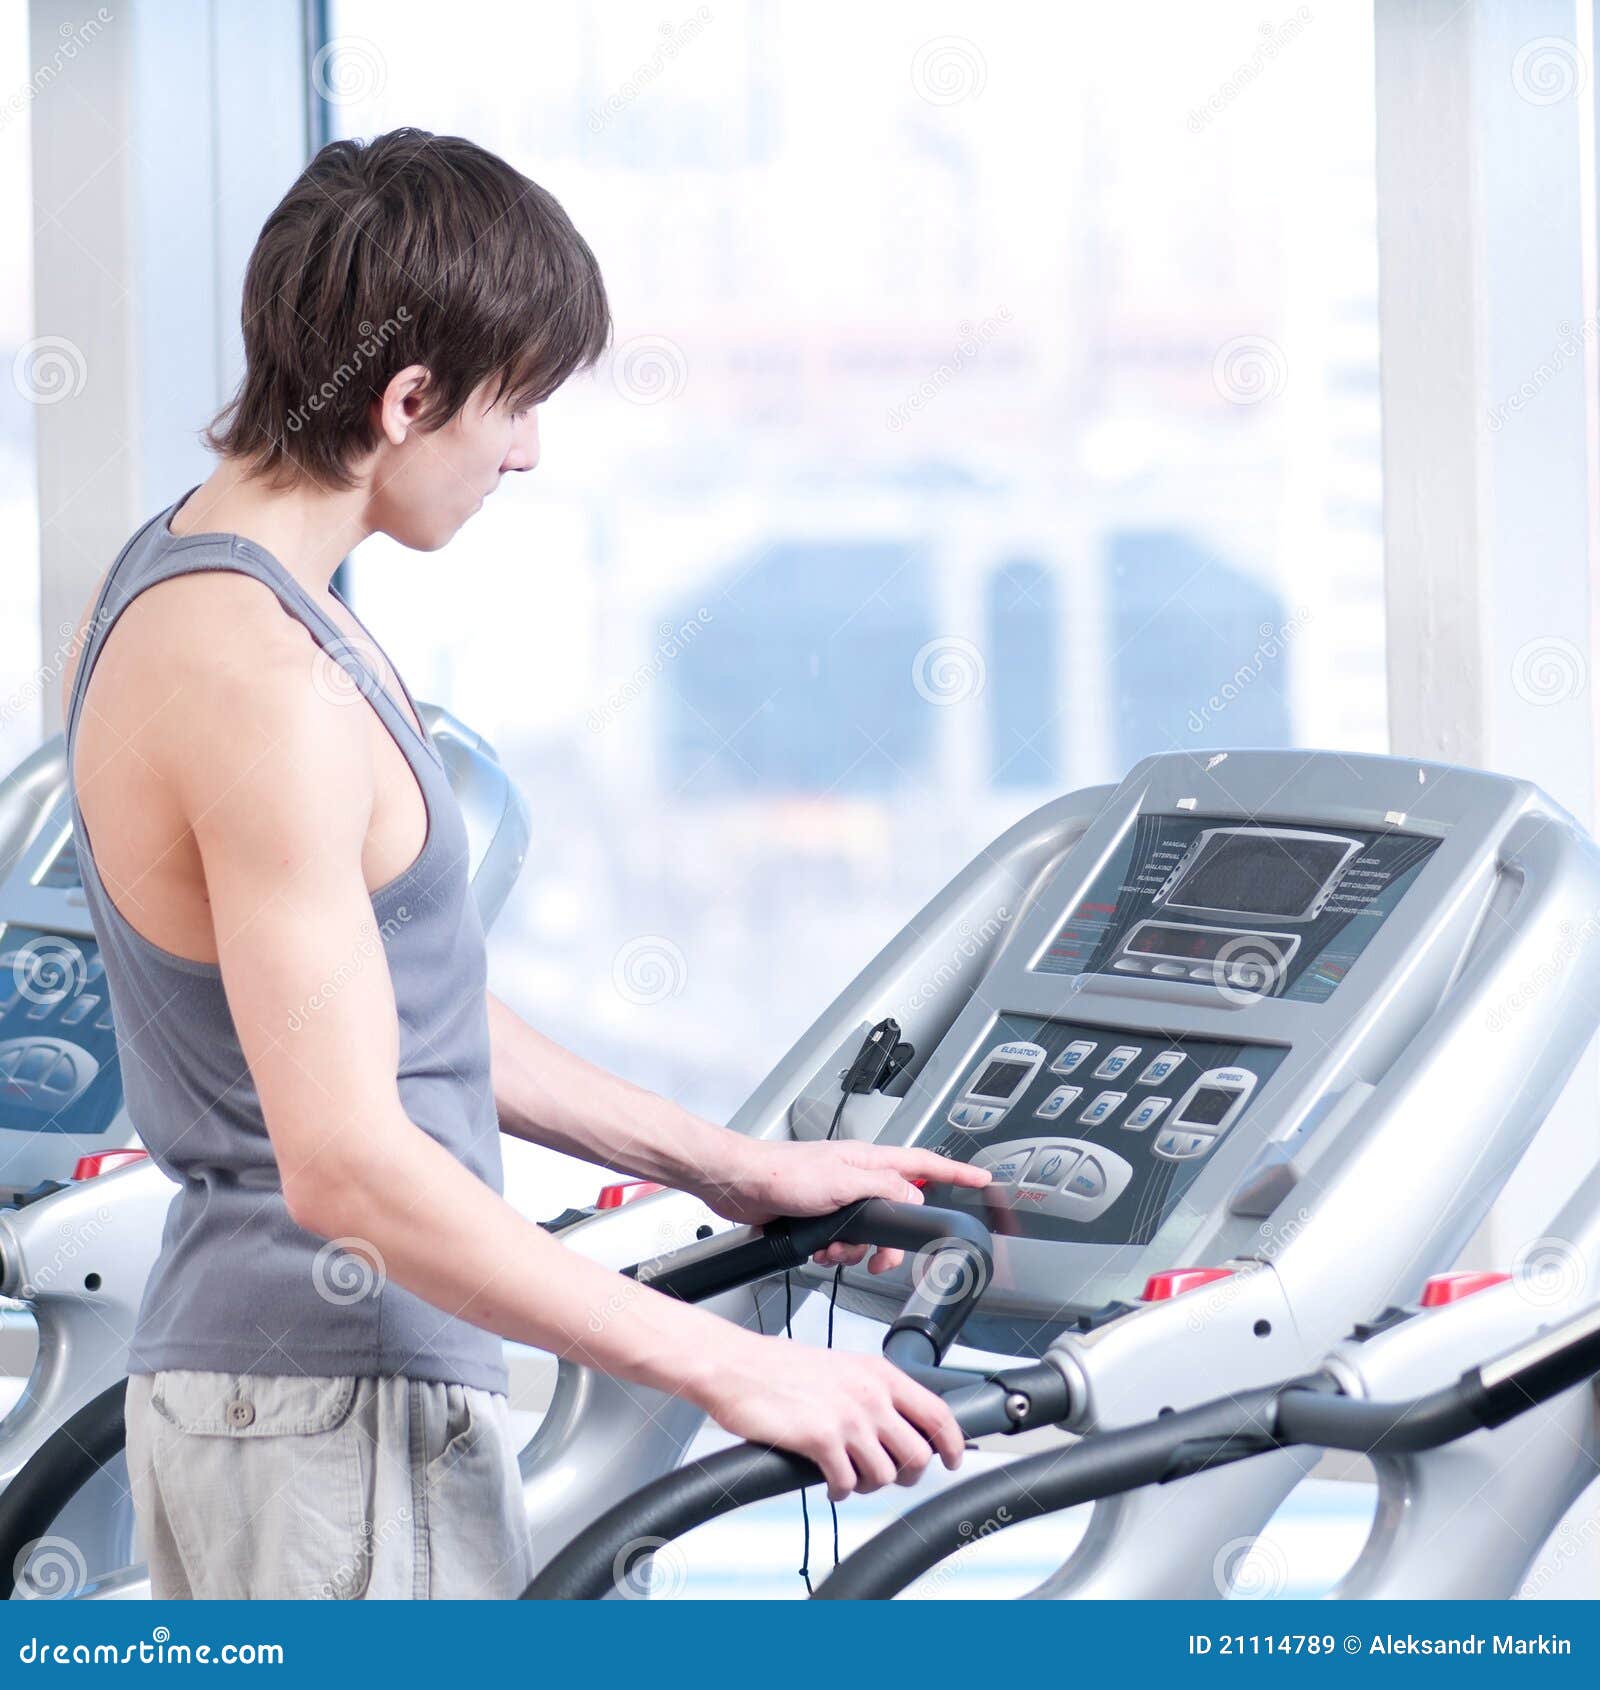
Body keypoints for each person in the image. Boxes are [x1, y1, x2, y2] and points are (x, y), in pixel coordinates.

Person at [61, 129, 986, 1601]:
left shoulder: (175, 582)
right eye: (519, 403)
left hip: (266, 1394)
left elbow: (384, 1011)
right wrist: (736, 1370)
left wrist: (725, 1163)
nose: (531, 451)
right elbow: (350, 1166)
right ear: (408, 397)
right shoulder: (266, 682)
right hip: (333, 1412)